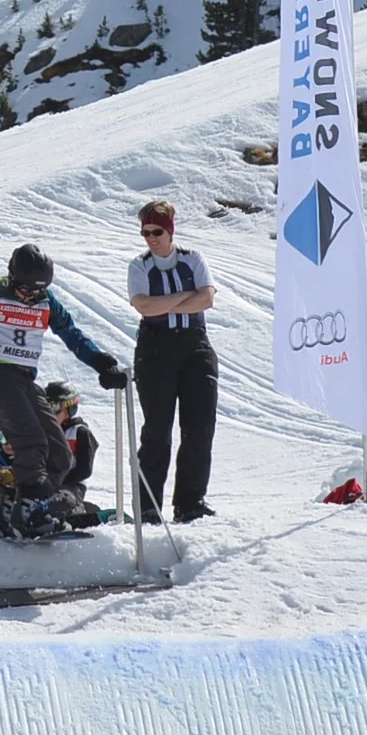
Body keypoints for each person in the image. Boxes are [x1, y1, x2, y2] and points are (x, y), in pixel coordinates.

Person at [0, 244, 126, 537]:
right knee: (31, 441)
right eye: (24, 290)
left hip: (25, 378)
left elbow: (71, 334)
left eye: (36, 292)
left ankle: (9, 510)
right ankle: (30, 514)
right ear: (12, 277)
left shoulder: (46, 302)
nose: (29, 297)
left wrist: (101, 363)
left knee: (59, 452)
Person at [126, 200, 218, 524]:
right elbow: (143, 307)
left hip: (195, 345)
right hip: (155, 348)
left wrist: (163, 303)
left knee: (199, 426)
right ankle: (148, 506)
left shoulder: (192, 259)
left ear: (170, 231)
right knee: (157, 430)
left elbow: (207, 298)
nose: (151, 238)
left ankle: (190, 503)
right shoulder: (140, 266)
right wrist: (184, 298)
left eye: (157, 231)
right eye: (145, 232)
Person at [44, 380, 99, 503]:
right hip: (45, 485)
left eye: (54, 407)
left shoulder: (79, 432)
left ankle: (74, 511)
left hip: (72, 486)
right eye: (45, 406)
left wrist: (56, 481)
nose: (49, 413)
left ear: (70, 407)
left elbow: (84, 470)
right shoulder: (43, 432)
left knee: (58, 501)